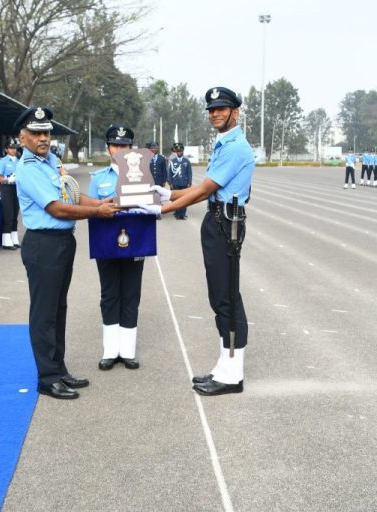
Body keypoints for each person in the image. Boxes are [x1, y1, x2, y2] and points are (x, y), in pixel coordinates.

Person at [142, 86, 254, 396]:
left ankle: (233, 374)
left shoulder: (234, 146)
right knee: (220, 294)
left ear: (236, 111)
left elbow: (205, 190)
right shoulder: (224, 143)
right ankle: (225, 366)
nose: (215, 113)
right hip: (218, 220)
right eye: (211, 109)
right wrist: (168, 192)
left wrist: (162, 207)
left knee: (227, 295)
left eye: (222, 108)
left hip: (226, 224)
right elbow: (204, 188)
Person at [15, 106, 119, 400]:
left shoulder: (50, 162)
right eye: (36, 133)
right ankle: (47, 378)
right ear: (23, 137)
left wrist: (100, 201)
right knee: (44, 312)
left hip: (61, 242)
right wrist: (98, 211)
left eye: (46, 132)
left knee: (58, 309)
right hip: (44, 244)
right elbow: (57, 208)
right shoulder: (29, 169)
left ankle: (58, 369)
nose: (43, 138)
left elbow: (71, 195)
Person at [88, 124, 150, 371]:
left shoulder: (144, 175)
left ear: (131, 149)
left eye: (125, 146)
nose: (120, 150)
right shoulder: (98, 179)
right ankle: (110, 350)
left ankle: (128, 350)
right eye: (116, 145)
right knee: (109, 294)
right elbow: (93, 209)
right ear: (109, 148)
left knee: (131, 294)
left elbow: (150, 208)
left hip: (135, 240)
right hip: (106, 242)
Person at [0, 138, 20, 250]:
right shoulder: (3, 161)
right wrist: (8, 179)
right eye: (11, 148)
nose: (13, 150)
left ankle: (14, 239)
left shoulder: (19, 161)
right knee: (8, 214)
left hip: (17, 188)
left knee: (15, 214)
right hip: (6, 188)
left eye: (14, 148)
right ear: (6, 150)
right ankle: (6, 240)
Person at [167, 142, 193, 217]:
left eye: (180, 151)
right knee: (176, 200)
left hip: (184, 183)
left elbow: (189, 173)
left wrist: (189, 182)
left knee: (184, 199)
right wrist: (170, 182)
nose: (179, 153)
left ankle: (182, 214)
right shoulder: (173, 161)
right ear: (176, 152)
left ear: (182, 151)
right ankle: (177, 213)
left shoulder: (186, 161)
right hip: (175, 183)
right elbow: (170, 173)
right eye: (177, 151)